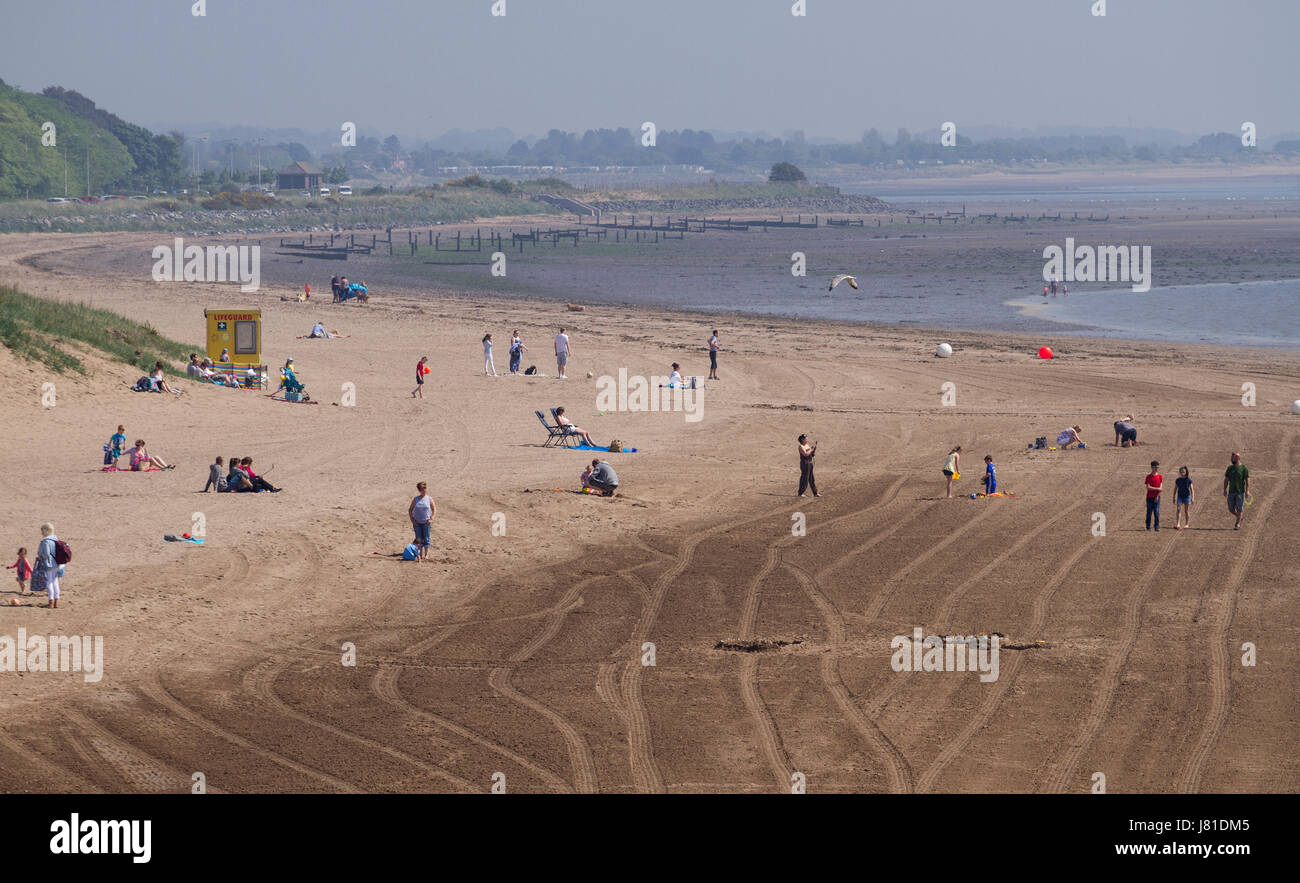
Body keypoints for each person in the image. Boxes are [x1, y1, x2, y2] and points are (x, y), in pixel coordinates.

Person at [33, 523, 61, 609]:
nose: (41, 532)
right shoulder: (56, 539)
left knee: (49, 583)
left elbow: (46, 554)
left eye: (42, 530)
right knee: (55, 582)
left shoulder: (46, 541)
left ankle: (51, 602)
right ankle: (56, 602)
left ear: (45, 530)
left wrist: (39, 558)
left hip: (49, 564)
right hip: (57, 563)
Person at [408, 482, 436, 562]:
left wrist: (431, 518)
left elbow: (434, 509)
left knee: (426, 538)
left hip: (426, 522)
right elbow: (410, 509)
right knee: (419, 538)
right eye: (422, 490)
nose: (424, 491)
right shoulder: (416, 499)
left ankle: (426, 554)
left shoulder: (429, 499)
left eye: (425, 489)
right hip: (417, 522)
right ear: (420, 490)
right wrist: (412, 519)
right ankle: (420, 554)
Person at [1224, 451, 1250, 530]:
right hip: (1231, 491)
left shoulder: (1244, 468)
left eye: (1233, 458)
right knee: (1231, 508)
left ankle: (1237, 523)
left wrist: (1247, 490)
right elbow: (1226, 479)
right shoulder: (1230, 468)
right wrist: (1225, 489)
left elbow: (1247, 480)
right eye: (1231, 458)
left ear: (1238, 458)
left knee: (1239, 508)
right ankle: (1239, 517)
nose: (1231, 459)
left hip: (1240, 492)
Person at [1145, 460, 1163, 531]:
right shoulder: (1148, 477)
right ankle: (1148, 525)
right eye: (1155, 467)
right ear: (1152, 467)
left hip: (1157, 497)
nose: (1156, 468)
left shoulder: (1160, 476)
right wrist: (1157, 488)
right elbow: (1148, 487)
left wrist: (1157, 496)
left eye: (1157, 467)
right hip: (1149, 497)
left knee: (1156, 511)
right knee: (1149, 512)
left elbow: (1161, 488)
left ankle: (1156, 526)